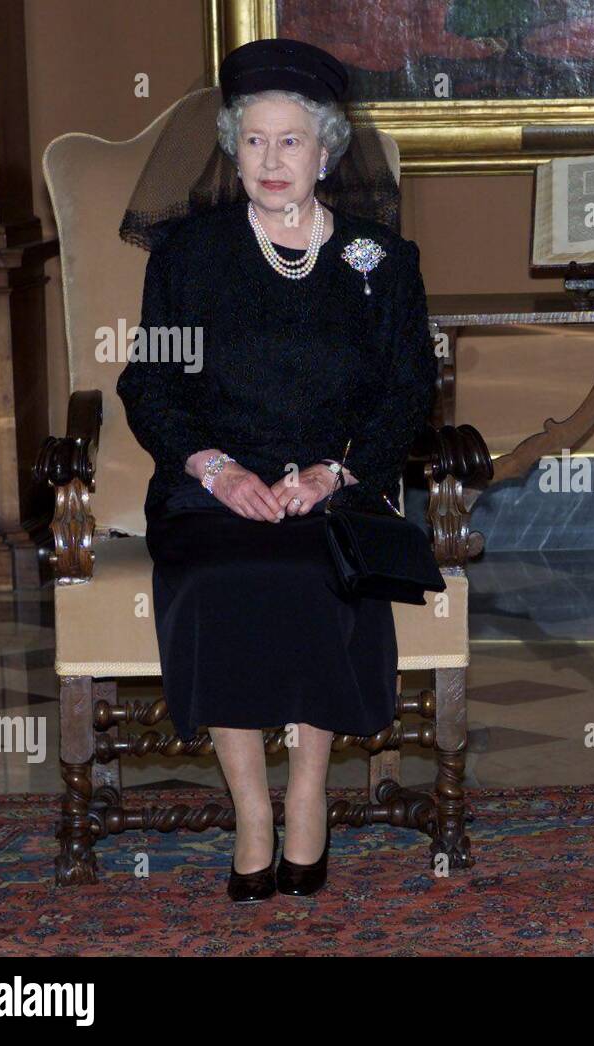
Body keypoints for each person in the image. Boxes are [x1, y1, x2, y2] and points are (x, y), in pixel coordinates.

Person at [117, 38, 436, 902]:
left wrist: (336, 474)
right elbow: (149, 383)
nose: (270, 160)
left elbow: (410, 394)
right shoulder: (190, 256)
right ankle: (251, 808)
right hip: (212, 491)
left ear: (327, 148)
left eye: (290, 140)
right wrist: (217, 470)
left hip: (335, 491)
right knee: (226, 577)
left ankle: (307, 796)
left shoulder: (379, 261)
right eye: (253, 140)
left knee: (313, 575)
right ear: (232, 146)